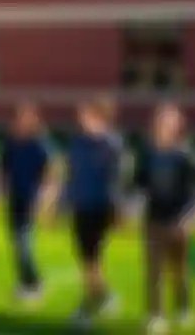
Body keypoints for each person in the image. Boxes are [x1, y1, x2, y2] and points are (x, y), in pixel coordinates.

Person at [133, 103, 195, 334]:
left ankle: (183, 309)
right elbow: (139, 184)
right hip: (153, 220)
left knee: (179, 269)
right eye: (161, 121)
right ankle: (156, 315)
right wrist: (131, 204)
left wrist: (188, 218)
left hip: (178, 221)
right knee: (153, 270)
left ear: (177, 125)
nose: (164, 126)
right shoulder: (148, 153)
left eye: (169, 121)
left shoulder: (185, 155)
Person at [63, 95, 127, 328]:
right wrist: (62, 202)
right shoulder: (77, 143)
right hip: (80, 205)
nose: (81, 119)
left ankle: (87, 309)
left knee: (91, 258)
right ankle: (105, 297)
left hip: (101, 208)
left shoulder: (112, 144)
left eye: (86, 114)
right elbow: (71, 174)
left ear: (100, 116)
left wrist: (118, 210)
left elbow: (117, 180)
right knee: (88, 260)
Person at [0, 101, 58, 303]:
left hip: (31, 199)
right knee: (16, 244)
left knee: (23, 244)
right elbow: (3, 168)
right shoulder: (11, 142)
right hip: (14, 198)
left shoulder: (40, 144)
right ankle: (25, 283)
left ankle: (33, 284)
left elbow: (51, 171)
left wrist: (47, 199)